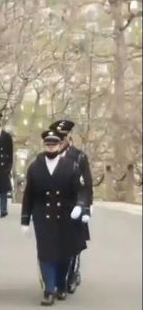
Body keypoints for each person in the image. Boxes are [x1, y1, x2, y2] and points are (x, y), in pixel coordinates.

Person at [20, 129, 89, 306]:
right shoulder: (35, 167)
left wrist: (80, 207)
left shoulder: (70, 166)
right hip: (43, 215)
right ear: (45, 146)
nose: (51, 148)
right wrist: (25, 220)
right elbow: (29, 195)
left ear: (60, 145)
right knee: (46, 253)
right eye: (48, 145)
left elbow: (81, 190)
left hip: (66, 215)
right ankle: (49, 290)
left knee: (64, 254)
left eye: (54, 145)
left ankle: (60, 285)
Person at [50, 119, 93, 292]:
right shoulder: (49, 156)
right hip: (54, 206)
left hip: (74, 206)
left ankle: (71, 274)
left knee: (74, 244)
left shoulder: (79, 157)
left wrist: (85, 207)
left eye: (63, 138)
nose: (60, 142)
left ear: (69, 137)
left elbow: (87, 184)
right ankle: (56, 277)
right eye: (57, 138)